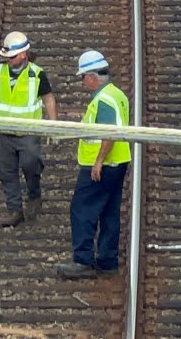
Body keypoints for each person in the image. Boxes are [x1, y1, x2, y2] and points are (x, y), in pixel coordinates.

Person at [57, 50, 132, 279]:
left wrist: (98, 161)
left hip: (102, 165)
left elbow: (109, 132)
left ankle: (83, 261)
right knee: (109, 211)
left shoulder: (104, 99)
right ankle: (108, 261)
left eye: (83, 77)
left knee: (82, 210)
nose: (83, 82)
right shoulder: (116, 94)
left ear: (91, 76)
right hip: (118, 161)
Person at [0, 31, 57, 227]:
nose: (7, 60)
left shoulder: (36, 74)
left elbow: (48, 99)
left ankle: (34, 195)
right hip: (2, 132)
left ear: (23, 55)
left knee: (30, 164)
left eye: (11, 57)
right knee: (7, 171)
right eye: (6, 56)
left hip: (27, 132)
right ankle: (15, 210)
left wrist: (54, 127)